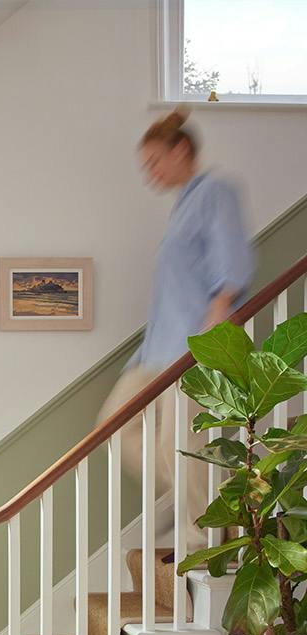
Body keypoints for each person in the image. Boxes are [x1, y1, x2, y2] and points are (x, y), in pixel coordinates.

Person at [99, 108, 253, 553]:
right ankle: (216, 502)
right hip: (157, 349)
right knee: (115, 426)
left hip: (193, 343)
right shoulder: (183, 204)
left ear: (181, 149)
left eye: (154, 162)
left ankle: (201, 535)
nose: (150, 174)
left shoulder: (215, 192)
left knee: (180, 440)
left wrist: (217, 317)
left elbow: (234, 263)